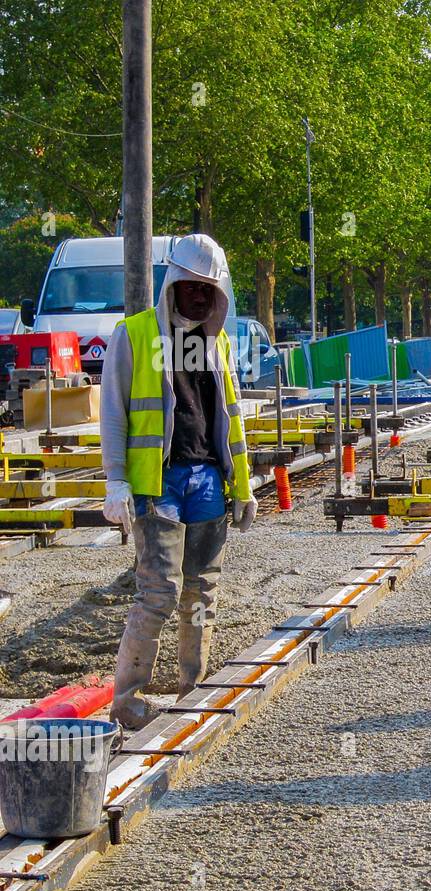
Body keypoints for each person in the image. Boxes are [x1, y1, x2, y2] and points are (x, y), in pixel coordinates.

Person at [101, 234, 257, 729]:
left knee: (201, 593)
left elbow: (231, 417)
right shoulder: (135, 335)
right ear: (173, 283)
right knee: (159, 593)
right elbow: (114, 415)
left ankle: (193, 692)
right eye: (192, 286)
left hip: (208, 477)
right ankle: (126, 700)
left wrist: (243, 485)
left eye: (208, 289)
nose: (199, 296)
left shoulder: (218, 341)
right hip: (158, 483)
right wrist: (115, 481)